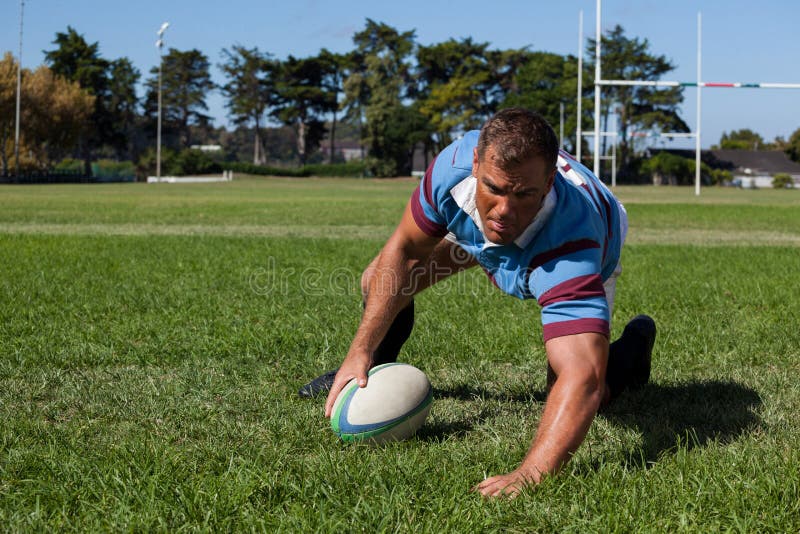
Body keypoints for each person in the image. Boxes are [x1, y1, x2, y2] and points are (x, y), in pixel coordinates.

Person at [299, 108, 656, 497]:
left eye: (523, 194)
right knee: (377, 279)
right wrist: (359, 351)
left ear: (548, 182)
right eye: (494, 189)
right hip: (481, 233)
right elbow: (404, 251)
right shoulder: (452, 167)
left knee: (586, 392)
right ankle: (369, 373)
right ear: (475, 164)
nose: (504, 210)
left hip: (564, 244)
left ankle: (635, 345)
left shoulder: (573, 245)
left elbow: (581, 377)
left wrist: (530, 474)